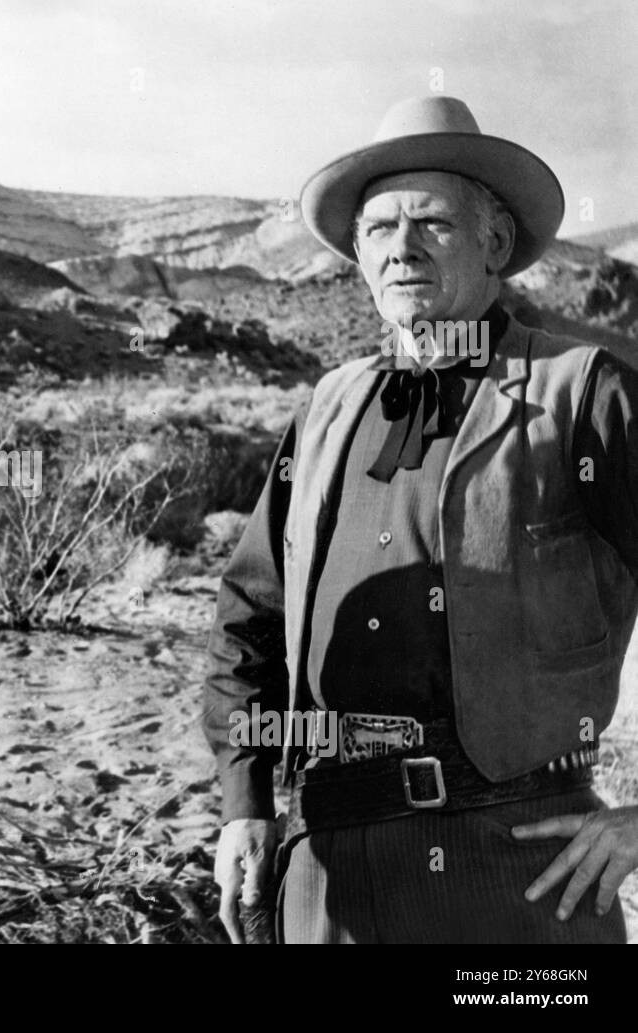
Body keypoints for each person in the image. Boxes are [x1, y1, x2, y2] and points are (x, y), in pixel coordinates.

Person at [204, 95, 638, 943]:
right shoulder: (325, 410)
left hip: (521, 874)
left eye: (432, 223)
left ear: (497, 244)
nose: (401, 247)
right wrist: (243, 802)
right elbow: (249, 618)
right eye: (378, 228)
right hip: (328, 877)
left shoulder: (583, 391)